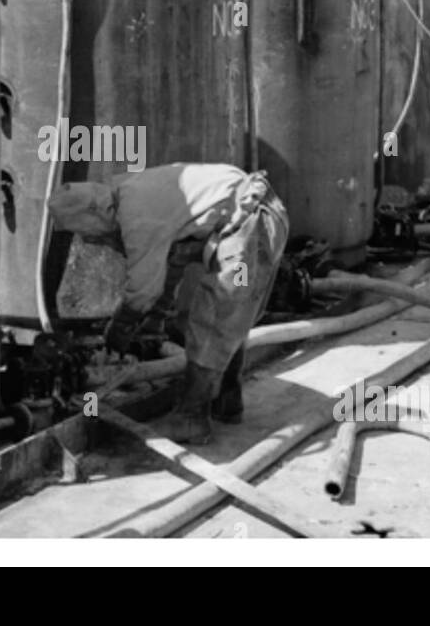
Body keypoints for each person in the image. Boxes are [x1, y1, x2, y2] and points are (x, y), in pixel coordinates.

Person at [48, 163, 288, 445]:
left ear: (96, 212)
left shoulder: (136, 218)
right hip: (257, 216)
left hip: (251, 225)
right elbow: (171, 260)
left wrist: (121, 327)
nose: (90, 240)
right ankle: (226, 400)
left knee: (217, 314)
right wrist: (156, 318)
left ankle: (191, 418)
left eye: (87, 233)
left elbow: (143, 288)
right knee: (231, 315)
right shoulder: (126, 191)